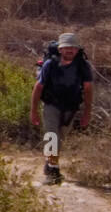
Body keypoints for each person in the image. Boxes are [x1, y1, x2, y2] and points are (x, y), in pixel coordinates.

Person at [29, 32, 93, 184]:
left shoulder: (82, 66)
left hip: (71, 106)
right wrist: (34, 111)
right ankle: (53, 172)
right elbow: (38, 87)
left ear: (77, 50)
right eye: (66, 48)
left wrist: (87, 113)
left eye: (73, 48)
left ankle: (50, 163)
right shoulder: (50, 64)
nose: (69, 50)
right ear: (60, 49)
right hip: (52, 104)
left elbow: (88, 88)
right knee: (51, 137)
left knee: (60, 139)